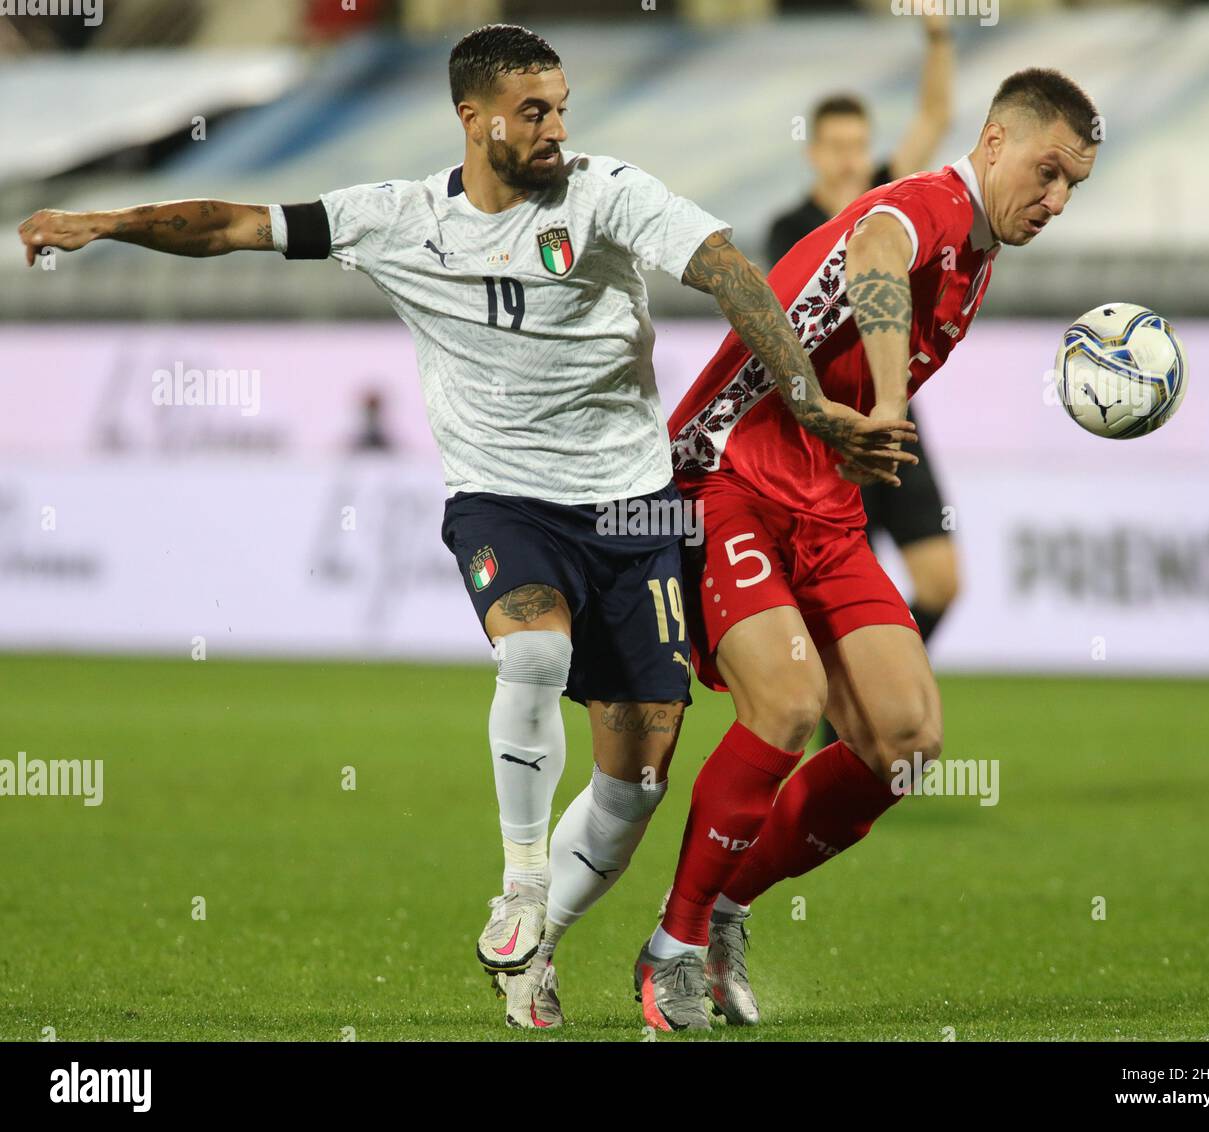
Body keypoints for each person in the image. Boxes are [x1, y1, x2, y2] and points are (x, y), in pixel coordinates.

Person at [18, 23, 909, 1030]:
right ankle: (521, 885)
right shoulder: (396, 218)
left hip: (634, 504)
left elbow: (730, 272)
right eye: (533, 112)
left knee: (635, 788)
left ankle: (535, 951)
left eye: (562, 107)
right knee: (530, 654)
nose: (555, 128)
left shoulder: (606, 192)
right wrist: (106, 221)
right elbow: (231, 222)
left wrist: (803, 397)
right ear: (472, 118)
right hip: (503, 499)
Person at [638, 68, 1100, 1031]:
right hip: (725, 479)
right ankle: (671, 949)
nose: (1055, 200)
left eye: (1073, 188)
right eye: (1048, 172)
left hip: (826, 510)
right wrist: (890, 401)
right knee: (791, 703)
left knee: (905, 742)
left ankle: (726, 912)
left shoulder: (979, 254)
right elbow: (875, 254)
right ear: (993, 141)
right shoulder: (928, 203)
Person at [768, 12, 960, 685]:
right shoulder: (789, 230)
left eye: (859, 142)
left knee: (940, 580)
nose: (850, 156)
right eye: (836, 144)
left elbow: (935, 114)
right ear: (813, 152)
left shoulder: (891, 201)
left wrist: (937, 37)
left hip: (894, 414)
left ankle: (871, 688)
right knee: (828, 602)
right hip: (826, 435)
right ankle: (841, 722)